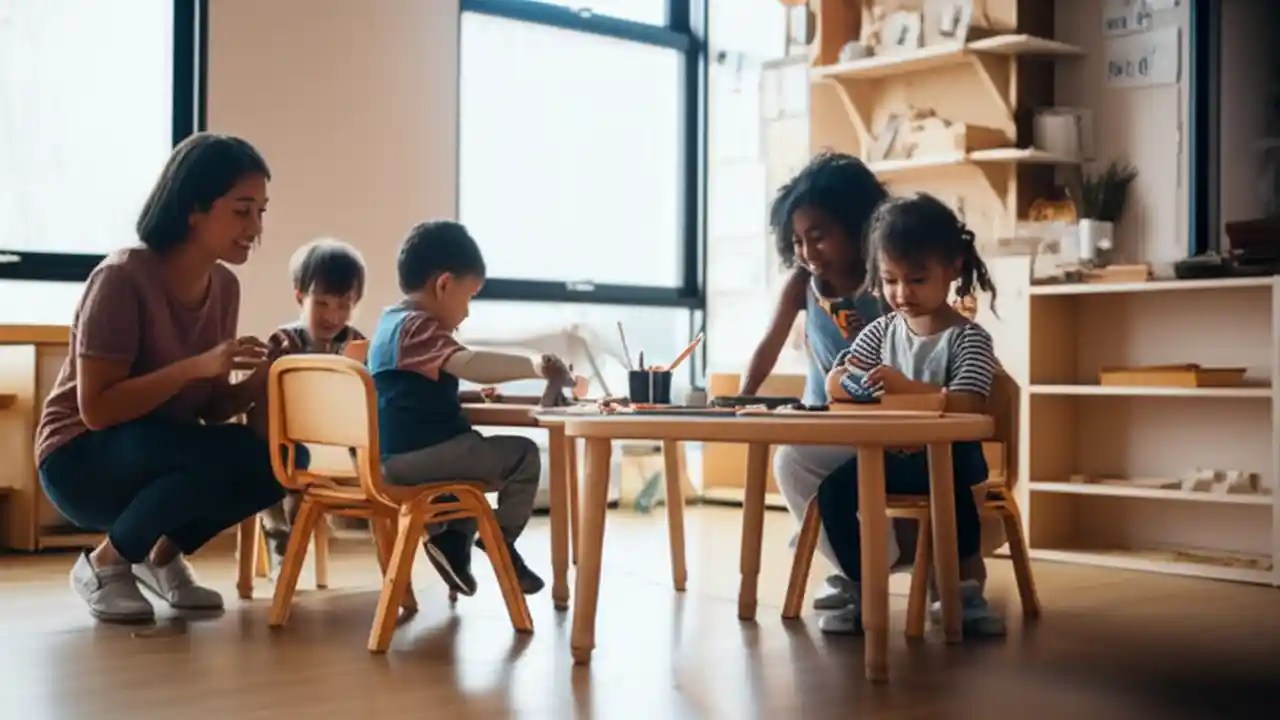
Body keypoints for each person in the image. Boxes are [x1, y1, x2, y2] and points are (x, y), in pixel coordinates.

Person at [35, 133, 285, 622]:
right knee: (202, 453)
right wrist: (196, 366)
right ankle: (104, 565)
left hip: (161, 447)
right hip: (79, 459)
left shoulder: (225, 287)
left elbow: (210, 409)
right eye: (242, 210)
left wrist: (260, 378)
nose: (255, 227)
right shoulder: (121, 278)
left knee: (276, 464)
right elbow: (97, 409)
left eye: (261, 212)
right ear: (194, 208)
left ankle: (159, 556)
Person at [816, 192, 1004, 636]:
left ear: (953, 267)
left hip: (953, 458)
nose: (902, 294)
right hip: (892, 458)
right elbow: (836, 380)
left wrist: (905, 388)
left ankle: (963, 595)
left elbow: (970, 404)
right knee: (833, 493)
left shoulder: (968, 339)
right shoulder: (881, 331)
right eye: (890, 280)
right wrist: (848, 384)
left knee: (951, 491)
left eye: (917, 279)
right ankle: (860, 585)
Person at [368, 220, 574, 598]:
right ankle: (501, 542)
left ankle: (451, 544)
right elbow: (472, 363)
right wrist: (536, 365)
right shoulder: (419, 327)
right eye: (469, 297)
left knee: (467, 472)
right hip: (416, 455)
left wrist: (464, 394)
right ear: (444, 285)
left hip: (387, 456)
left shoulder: (389, 323)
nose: (467, 312)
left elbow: (408, 394)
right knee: (523, 456)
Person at [739, 152, 893, 610]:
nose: (807, 253)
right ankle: (857, 568)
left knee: (796, 466)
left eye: (819, 237)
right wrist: (742, 396)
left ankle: (863, 569)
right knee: (793, 463)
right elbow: (768, 345)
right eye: (798, 241)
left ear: (857, 225)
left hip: (882, 424)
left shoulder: (887, 282)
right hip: (822, 421)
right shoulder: (801, 286)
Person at [249, 238, 367, 575]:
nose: (332, 315)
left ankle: (294, 532)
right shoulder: (285, 341)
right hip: (284, 439)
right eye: (322, 303)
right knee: (272, 465)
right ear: (300, 297)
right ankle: (277, 529)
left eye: (343, 305)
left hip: (336, 441)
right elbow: (266, 398)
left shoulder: (354, 342)